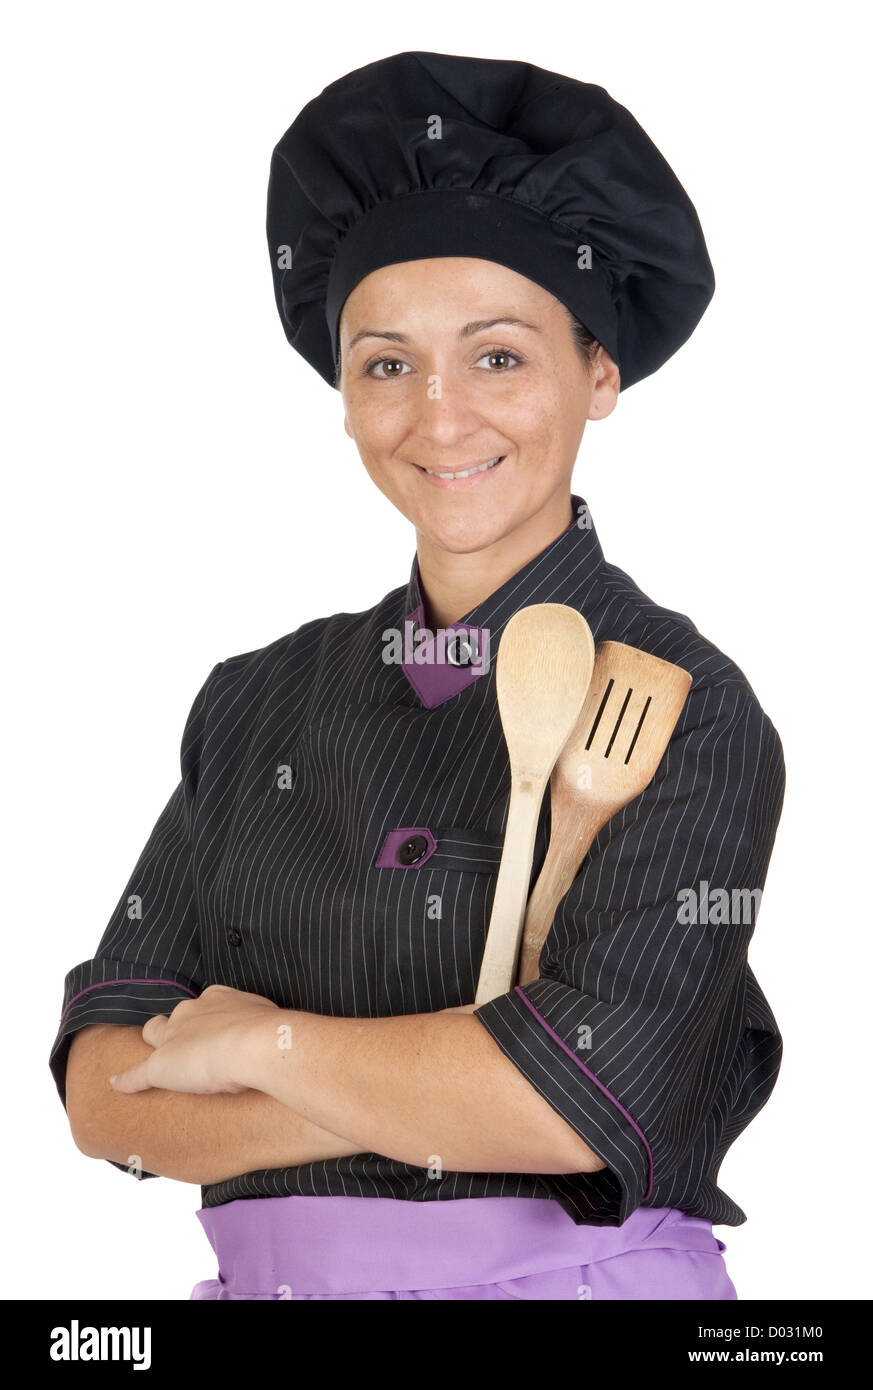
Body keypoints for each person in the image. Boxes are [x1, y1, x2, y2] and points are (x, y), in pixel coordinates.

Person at [49, 50, 786, 1301]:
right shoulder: (253, 701)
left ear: (598, 373)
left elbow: (575, 1108)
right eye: (386, 362)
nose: (440, 415)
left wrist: (259, 1046)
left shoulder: (684, 704)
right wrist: (450, 1075)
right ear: (343, 393)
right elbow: (106, 1096)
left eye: (497, 356)